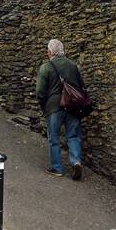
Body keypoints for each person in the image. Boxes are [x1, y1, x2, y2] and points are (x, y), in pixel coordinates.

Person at [36, 38, 85, 179]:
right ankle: (76, 162)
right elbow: (81, 86)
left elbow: (40, 91)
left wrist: (44, 106)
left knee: (54, 138)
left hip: (54, 107)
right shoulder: (73, 66)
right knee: (74, 136)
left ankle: (56, 168)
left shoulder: (46, 67)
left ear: (50, 52)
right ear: (63, 51)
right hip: (72, 106)